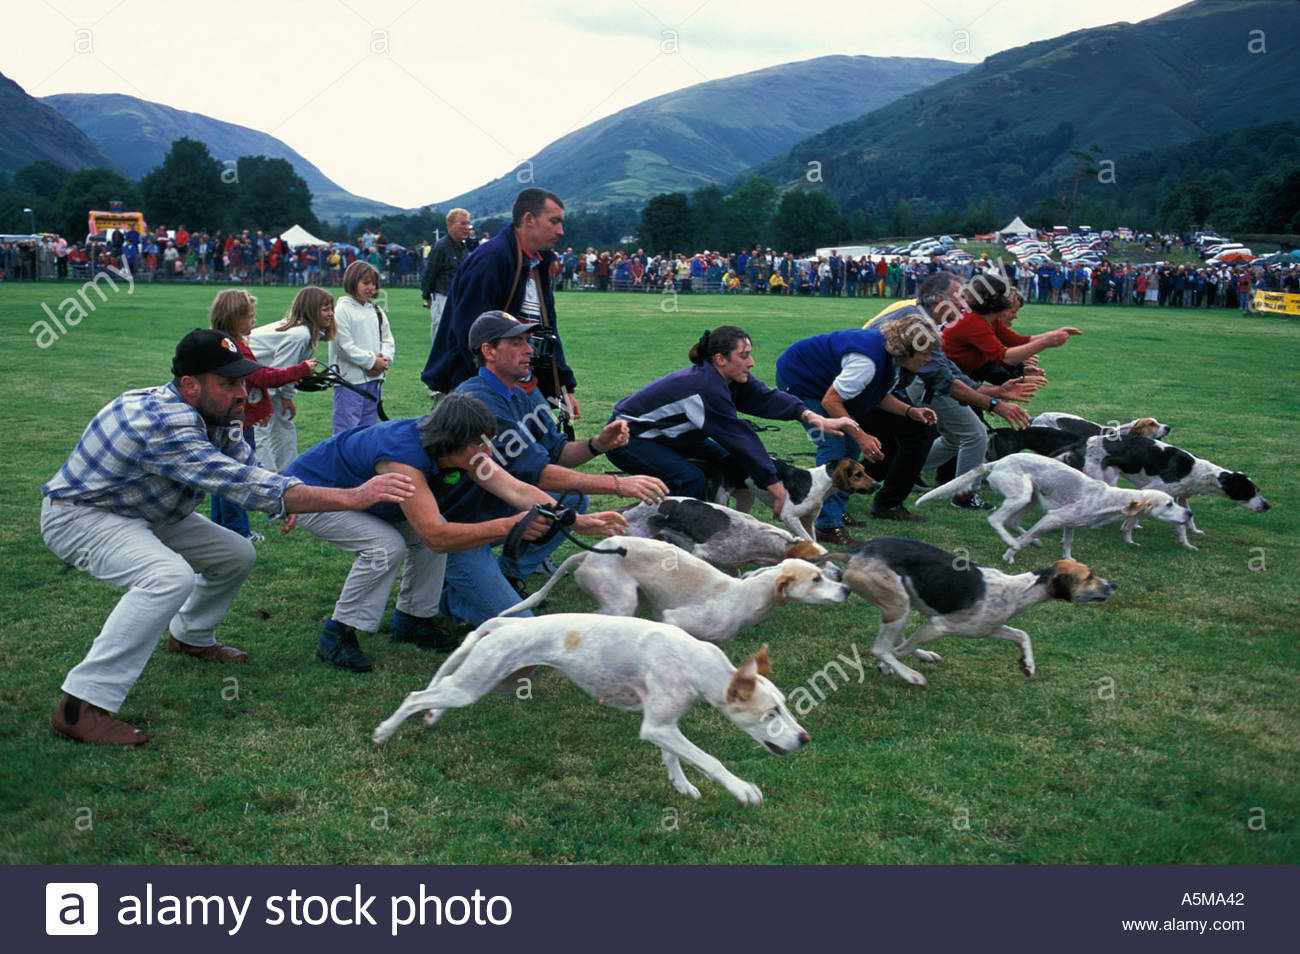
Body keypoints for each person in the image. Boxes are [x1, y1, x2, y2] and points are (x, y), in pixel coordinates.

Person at [41, 329, 416, 745]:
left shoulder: (216, 410)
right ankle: (80, 706)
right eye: (228, 383)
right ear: (190, 385)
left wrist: (285, 500)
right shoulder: (166, 422)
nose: (242, 393)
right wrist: (352, 496)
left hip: (150, 511)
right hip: (83, 515)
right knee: (168, 576)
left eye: (242, 381)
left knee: (237, 553)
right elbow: (242, 485)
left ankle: (191, 637)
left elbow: (247, 466)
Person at [436, 312, 661, 620]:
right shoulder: (478, 398)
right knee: (520, 625)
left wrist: (598, 444)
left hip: (496, 505)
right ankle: (452, 595)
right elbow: (538, 473)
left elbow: (557, 452)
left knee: (573, 498)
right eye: (517, 343)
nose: (529, 350)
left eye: (528, 341)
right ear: (488, 351)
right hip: (463, 524)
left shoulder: (520, 392)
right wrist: (618, 485)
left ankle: (506, 574)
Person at [606, 325, 854, 510]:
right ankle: (673, 535)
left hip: (667, 438)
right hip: (627, 441)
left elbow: (766, 397)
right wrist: (776, 489)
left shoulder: (725, 378)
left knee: (730, 462)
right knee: (690, 478)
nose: (752, 362)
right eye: (744, 355)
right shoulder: (705, 387)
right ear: (720, 359)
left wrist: (812, 417)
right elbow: (739, 438)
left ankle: (717, 519)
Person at [867, 272, 1038, 509]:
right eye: (958, 297)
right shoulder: (921, 323)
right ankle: (961, 495)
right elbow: (945, 380)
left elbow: (947, 369)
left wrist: (994, 391)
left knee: (920, 438)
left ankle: (880, 486)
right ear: (939, 300)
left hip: (884, 388)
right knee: (967, 434)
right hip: (864, 388)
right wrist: (995, 404)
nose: (963, 303)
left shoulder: (926, 319)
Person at [775, 315, 940, 537]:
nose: (929, 358)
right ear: (907, 350)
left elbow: (879, 394)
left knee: (850, 449)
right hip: (802, 380)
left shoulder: (890, 358)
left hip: (824, 387)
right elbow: (830, 401)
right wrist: (862, 436)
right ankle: (826, 524)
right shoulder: (867, 362)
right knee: (833, 447)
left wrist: (910, 411)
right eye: (924, 353)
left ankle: (837, 511)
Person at [420, 188, 578, 420]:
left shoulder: (539, 263)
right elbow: (469, 333)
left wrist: (564, 387)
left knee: (546, 446)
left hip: (521, 383)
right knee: (496, 452)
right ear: (529, 219)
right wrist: (495, 394)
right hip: (483, 383)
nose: (561, 231)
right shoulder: (491, 260)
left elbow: (548, 330)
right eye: (554, 222)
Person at [207, 289, 318, 541]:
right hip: (235, 423)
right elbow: (263, 377)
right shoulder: (236, 348)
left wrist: (263, 408)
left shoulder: (224, 343)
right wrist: (300, 370)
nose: (254, 322)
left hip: (225, 420)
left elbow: (253, 382)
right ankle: (238, 531)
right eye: (250, 316)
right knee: (238, 476)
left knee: (222, 476)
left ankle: (221, 526)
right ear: (234, 318)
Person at [248, 286, 336, 472]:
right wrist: (264, 404)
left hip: (263, 377)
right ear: (311, 310)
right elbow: (278, 373)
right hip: (252, 380)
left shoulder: (307, 332)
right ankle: (265, 475)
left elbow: (288, 371)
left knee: (283, 422)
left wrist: (287, 397)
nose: (331, 314)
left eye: (331, 309)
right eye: (325, 309)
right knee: (259, 428)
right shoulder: (299, 335)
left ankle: (288, 472)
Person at [942, 273, 1079, 384]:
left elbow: (1016, 341)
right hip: (948, 381)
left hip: (960, 378)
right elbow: (1004, 358)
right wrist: (1045, 342)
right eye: (1007, 296)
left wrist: (1052, 335)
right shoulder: (974, 323)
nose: (1010, 300)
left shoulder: (988, 319)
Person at [330, 260, 393, 433]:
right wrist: (372, 362)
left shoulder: (376, 310)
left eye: (373, 283)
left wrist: (384, 360)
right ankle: (343, 461)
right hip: (349, 381)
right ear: (352, 281)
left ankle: (364, 460)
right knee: (346, 429)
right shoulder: (342, 310)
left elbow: (388, 340)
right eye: (365, 283)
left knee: (368, 430)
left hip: (374, 381)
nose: (370, 287)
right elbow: (344, 346)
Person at [420, 208, 472, 344]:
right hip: (443, 298)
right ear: (450, 225)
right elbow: (429, 273)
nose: (467, 228)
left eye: (468, 224)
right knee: (441, 342)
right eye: (463, 224)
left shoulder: (463, 248)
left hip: (460, 300)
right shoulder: (441, 246)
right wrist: (427, 296)